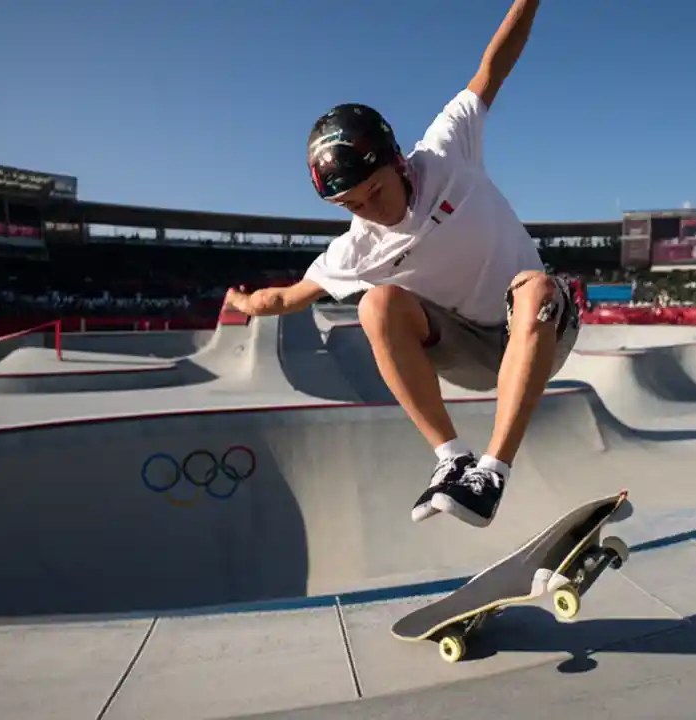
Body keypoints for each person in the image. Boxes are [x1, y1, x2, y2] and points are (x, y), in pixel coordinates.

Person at [224, 0, 580, 529]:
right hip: (466, 353)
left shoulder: (446, 148)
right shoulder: (356, 250)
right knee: (376, 305)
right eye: (352, 206)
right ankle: (451, 458)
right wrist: (241, 302)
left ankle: (491, 474)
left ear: (396, 163)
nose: (371, 211)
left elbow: (493, 66)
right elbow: (285, 297)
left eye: (375, 192)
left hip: (541, 330)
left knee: (535, 288)